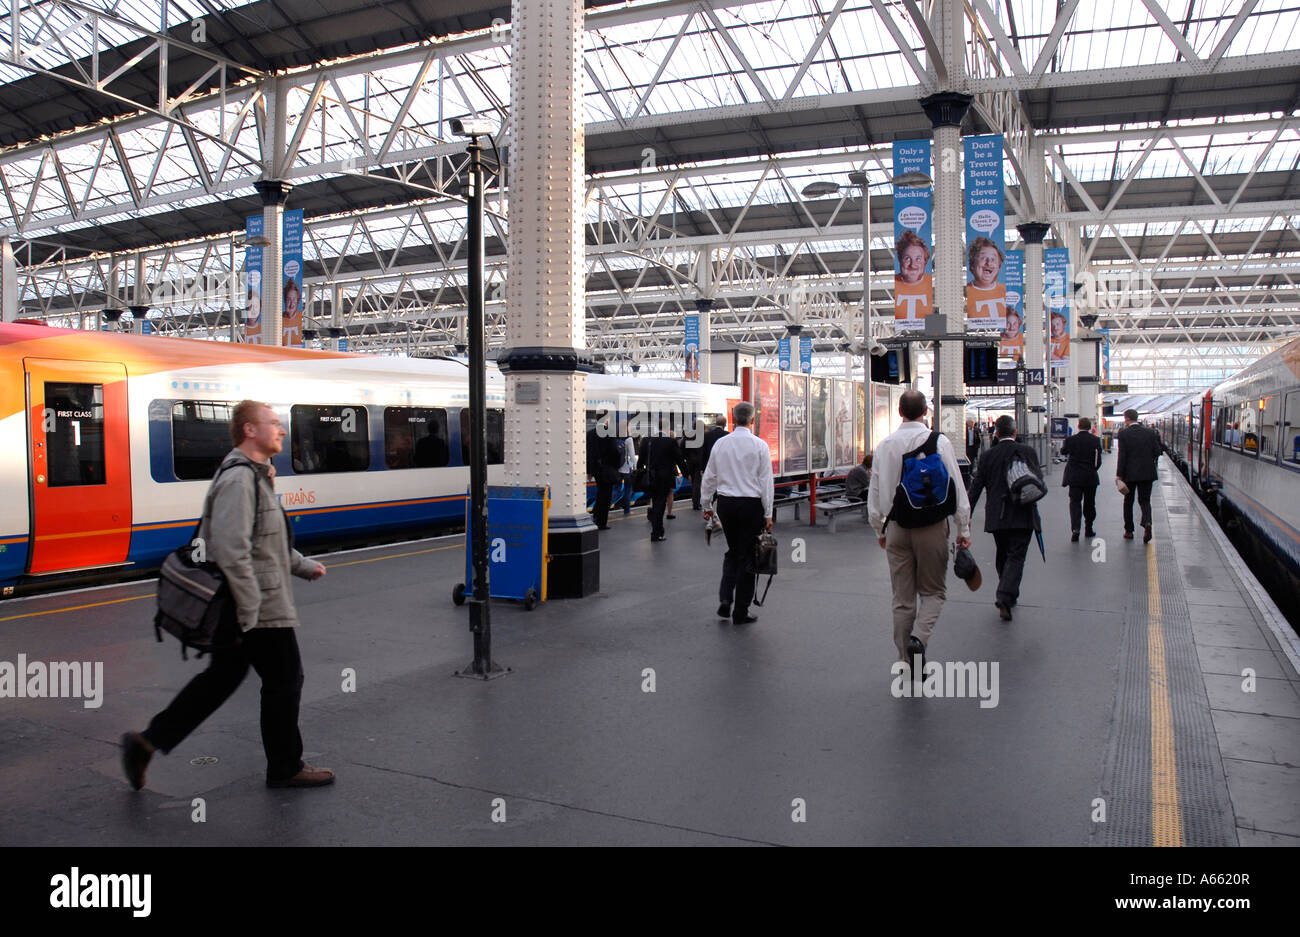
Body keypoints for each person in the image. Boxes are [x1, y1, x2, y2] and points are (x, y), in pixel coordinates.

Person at [121, 400, 333, 790]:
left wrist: (304, 566)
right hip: (257, 605)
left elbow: (267, 542)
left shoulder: (255, 475)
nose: (282, 430)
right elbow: (233, 549)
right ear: (250, 430)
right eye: (273, 423)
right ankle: (285, 767)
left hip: (251, 601)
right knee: (286, 680)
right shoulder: (239, 480)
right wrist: (251, 610)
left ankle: (148, 743)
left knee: (219, 680)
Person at [867, 390, 971, 668]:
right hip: (932, 527)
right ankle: (919, 639)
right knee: (934, 592)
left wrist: (879, 530)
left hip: (897, 528)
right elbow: (957, 487)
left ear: (899, 411)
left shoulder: (885, 445)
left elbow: (875, 492)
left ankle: (905, 661)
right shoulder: (939, 442)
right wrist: (963, 528)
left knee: (902, 600)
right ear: (926, 411)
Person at [701, 401, 774, 625]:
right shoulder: (760, 445)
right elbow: (766, 482)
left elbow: (709, 476)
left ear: (733, 419)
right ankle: (740, 611)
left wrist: (706, 506)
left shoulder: (721, 444)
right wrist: (768, 513)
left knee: (733, 551)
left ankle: (725, 598)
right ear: (752, 420)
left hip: (727, 505)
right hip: (751, 506)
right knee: (748, 557)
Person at [967, 415, 1043, 621]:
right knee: (1016, 556)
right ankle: (1005, 595)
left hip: (997, 515)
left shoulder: (988, 456)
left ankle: (1007, 591)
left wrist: (967, 515)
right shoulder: (1028, 452)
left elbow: (976, 488)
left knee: (1002, 553)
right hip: (1023, 513)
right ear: (1015, 432)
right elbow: (1038, 482)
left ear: (996, 433)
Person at [638, 419, 689, 541]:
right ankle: (656, 533)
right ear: (667, 428)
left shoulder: (648, 440)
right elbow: (679, 459)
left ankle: (658, 530)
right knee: (660, 505)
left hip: (651, 477)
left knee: (656, 502)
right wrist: (687, 474)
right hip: (665, 478)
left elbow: (641, 459)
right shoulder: (671, 441)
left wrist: (640, 471)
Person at [1116, 408, 1162, 543]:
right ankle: (1147, 522)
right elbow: (1157, 451)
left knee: (1128, 502)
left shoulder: (1123, 434)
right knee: (1145, 501)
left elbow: (1122, 456)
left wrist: (1119, 475)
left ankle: (1129, 531)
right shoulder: (1150, 432)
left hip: (1129, 474)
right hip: (1147, 473)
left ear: (1127, 419)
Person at [1061, 416, 1103, 542]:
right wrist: (1093, 469)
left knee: (1075, 503)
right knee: (1090, 503)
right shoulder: (1095, 440)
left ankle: (1075, 529)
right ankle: (1089, 528)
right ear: (1089, 427)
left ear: (1078, 426)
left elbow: (1063, 451)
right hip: (1090, 477)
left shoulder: (1071, 440)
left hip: (1074, 477)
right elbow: (1098, 460)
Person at [586, 413, 622, 530]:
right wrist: (616, 466)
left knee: (600, 493)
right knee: (606, 496)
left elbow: (589, 454)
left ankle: (596, 516)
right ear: (606, 419)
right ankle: (602, 522)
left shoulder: (590, 433)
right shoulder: (609, 432)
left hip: (596, 469)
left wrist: (589, 471)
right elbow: (615, 452)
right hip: (608, 468)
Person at [894, 229, 932, 327]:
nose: (913, 265)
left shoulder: (930, 283)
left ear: (925, 261)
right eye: (907, 258)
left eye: (918, 259)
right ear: (900, 261)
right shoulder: (894, 283)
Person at [966, 236, 1006, 326]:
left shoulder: (1005, 291)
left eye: (993, 259)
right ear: (972, 264)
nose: (989, 263)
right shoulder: (965, 292)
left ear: (999, 266)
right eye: (983, 258)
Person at [683, 419, 709, 511]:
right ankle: (696, 503)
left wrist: (686, 457)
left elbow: (682, 447)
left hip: (690, 462)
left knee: (694, 482)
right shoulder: (704, 436)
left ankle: (695, 502)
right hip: (700, 462)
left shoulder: (688, 435)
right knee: (698, 483)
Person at [616, 434, 638, 515]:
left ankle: (605, 508)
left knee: (616, 490)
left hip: (617, 468)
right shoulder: (629, 439)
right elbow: (632, 455)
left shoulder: (616, 437)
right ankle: (627, 510)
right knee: (627, 490)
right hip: (627, 469)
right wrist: (635, 466)